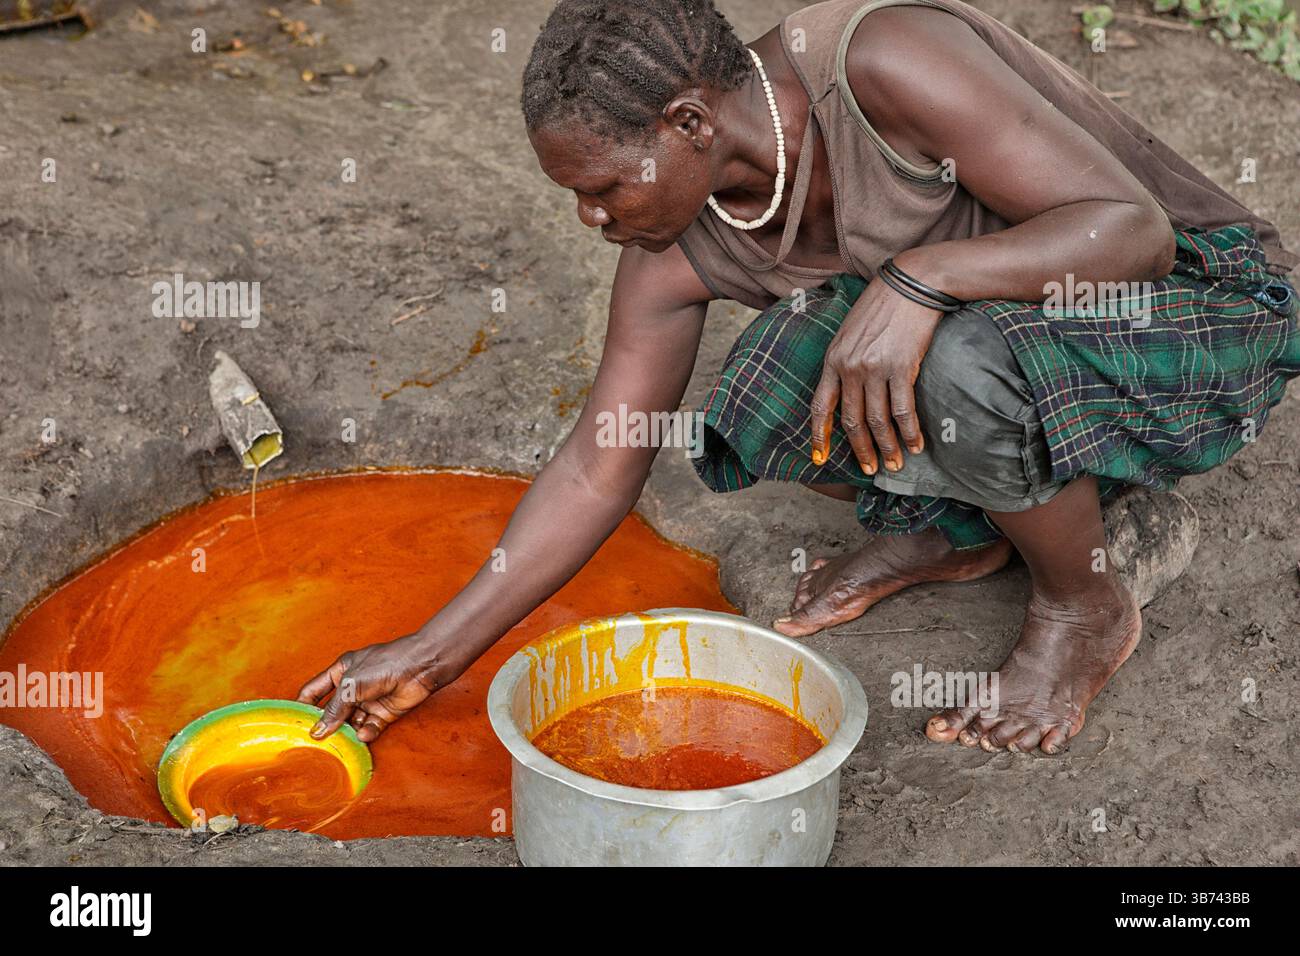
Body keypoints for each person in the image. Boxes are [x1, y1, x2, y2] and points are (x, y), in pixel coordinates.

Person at [299, 0, 1298, 755]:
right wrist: (430, 652)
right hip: (1028, 356)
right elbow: (597, 466)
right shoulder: (668, 257)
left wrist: (920, 279)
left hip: (1189, 308)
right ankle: (970, 528)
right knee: (773, 387)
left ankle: (1083, 602)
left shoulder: (878, 63)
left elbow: (1133, 234)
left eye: (602, 188)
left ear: (690, 122)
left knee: (949, 354)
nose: (590, 219)